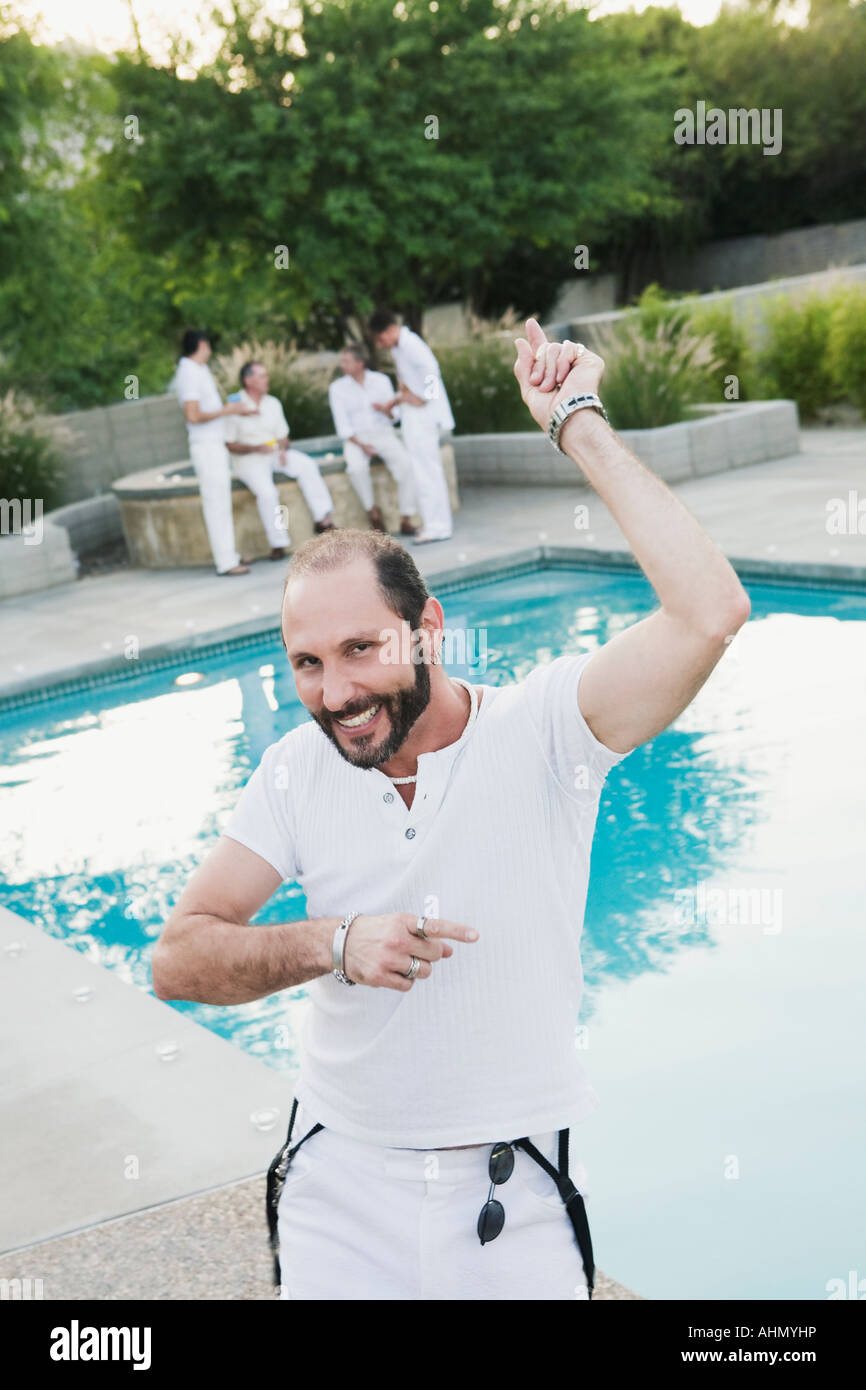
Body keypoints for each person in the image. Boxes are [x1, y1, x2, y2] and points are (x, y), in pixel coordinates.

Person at [151, 318, 750, 1300]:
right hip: (338, 1187)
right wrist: (332, 942)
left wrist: (575, 422)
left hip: (511, 1201)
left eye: (358, 650)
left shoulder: (546, 731)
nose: (333, 691)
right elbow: (177, 955)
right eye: (306, 662)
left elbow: (707, 611)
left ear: (428, 627)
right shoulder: (297, 771)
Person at [225, 362, 336, 559]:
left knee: (306, 465)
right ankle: (278, 542)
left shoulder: (273, 403)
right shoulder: (235, 405)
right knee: (268, 493)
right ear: (248, 380)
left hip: (275, 452)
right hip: (249, 458)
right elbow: (230, 444)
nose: (266, 379)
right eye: (261, 376)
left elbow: (284, 436)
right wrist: (255, 448)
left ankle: (323, 520)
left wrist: (282, 449)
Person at [173, 329, 257, 576]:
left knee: (222, 501)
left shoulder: (199, 369)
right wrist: (227, 411)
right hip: (205, 446)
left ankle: (230, 554)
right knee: (216, 503)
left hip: (215, 444)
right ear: (201, 344)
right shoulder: (188, 371)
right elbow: (192, 415)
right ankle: (226, 562)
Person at [368, 309, 455, 544]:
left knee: (427, 471)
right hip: (414, 415)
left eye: (380, 339)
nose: (381, 344)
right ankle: (433, 524)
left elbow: (431, 373)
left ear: (388, 330)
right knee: (422, 470)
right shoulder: (400, 348)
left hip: (423, 416)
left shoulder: (411, 344)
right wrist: (394, 402)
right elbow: (410, 385)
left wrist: (424, 398)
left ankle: (438, 527)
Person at [328, 344, 420, 537]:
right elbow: (342, 426)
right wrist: (362, 446)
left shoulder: (381, 381)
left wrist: (386, 410)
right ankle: (373, 512)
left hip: (383, 434)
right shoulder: (337, 388)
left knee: (407, 465)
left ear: (360, 363)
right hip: (356, 439)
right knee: (356, 468)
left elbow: (394, 416)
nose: (342, 365)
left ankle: (406, 517)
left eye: (346, 361)